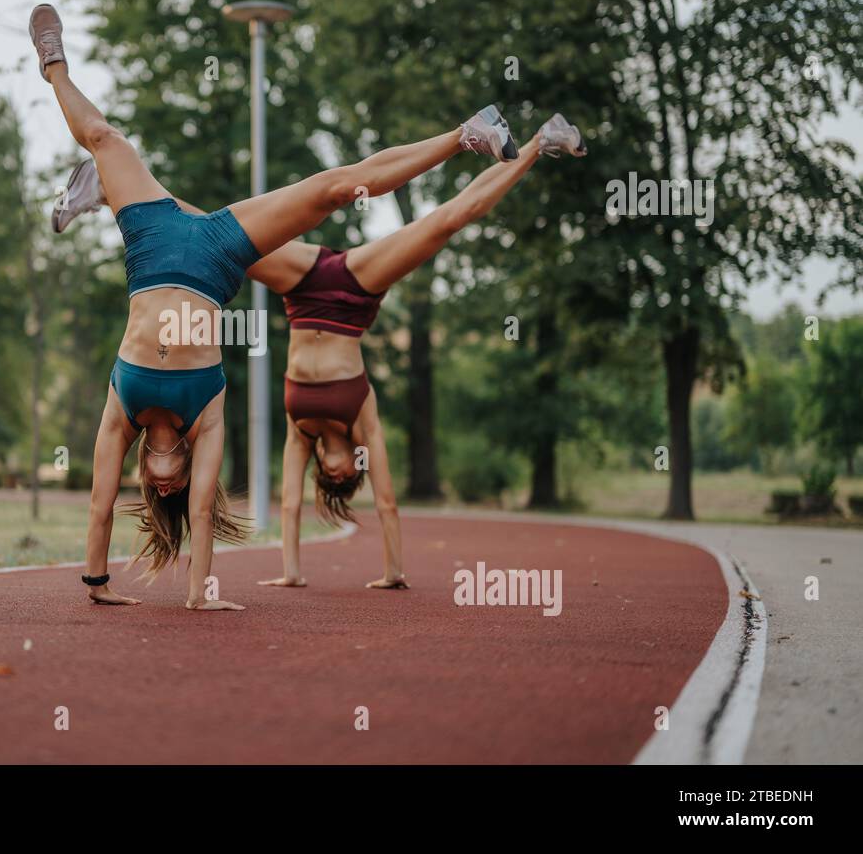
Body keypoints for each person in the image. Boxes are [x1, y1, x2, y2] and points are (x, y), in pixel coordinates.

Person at [31, 3, 517, 609]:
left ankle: (54, 68)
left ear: (145, 477)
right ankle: (465, 135)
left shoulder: (120, 412)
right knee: (336, 189)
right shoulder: (204, 414)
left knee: (105, 138)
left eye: (156, 471)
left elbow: (100, 506)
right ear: (181, 478)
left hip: (152, 242)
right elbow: (203, 517)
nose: (166, 466)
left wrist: (97, 586)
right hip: (216, 256)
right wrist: (200, 597)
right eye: (173, 474)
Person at [52, 105, 587, 591]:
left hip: (307, 285)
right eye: (341, 475)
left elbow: (295, 501)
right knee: (439, 221)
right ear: (352, 467)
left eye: (328, 478)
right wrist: (346, 573)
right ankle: (528, 138)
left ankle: (527, 141)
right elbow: (376, 502)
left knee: (211, 236)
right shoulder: (358, 418)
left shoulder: (303, 428)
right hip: (350, 289)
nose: (332, 473)